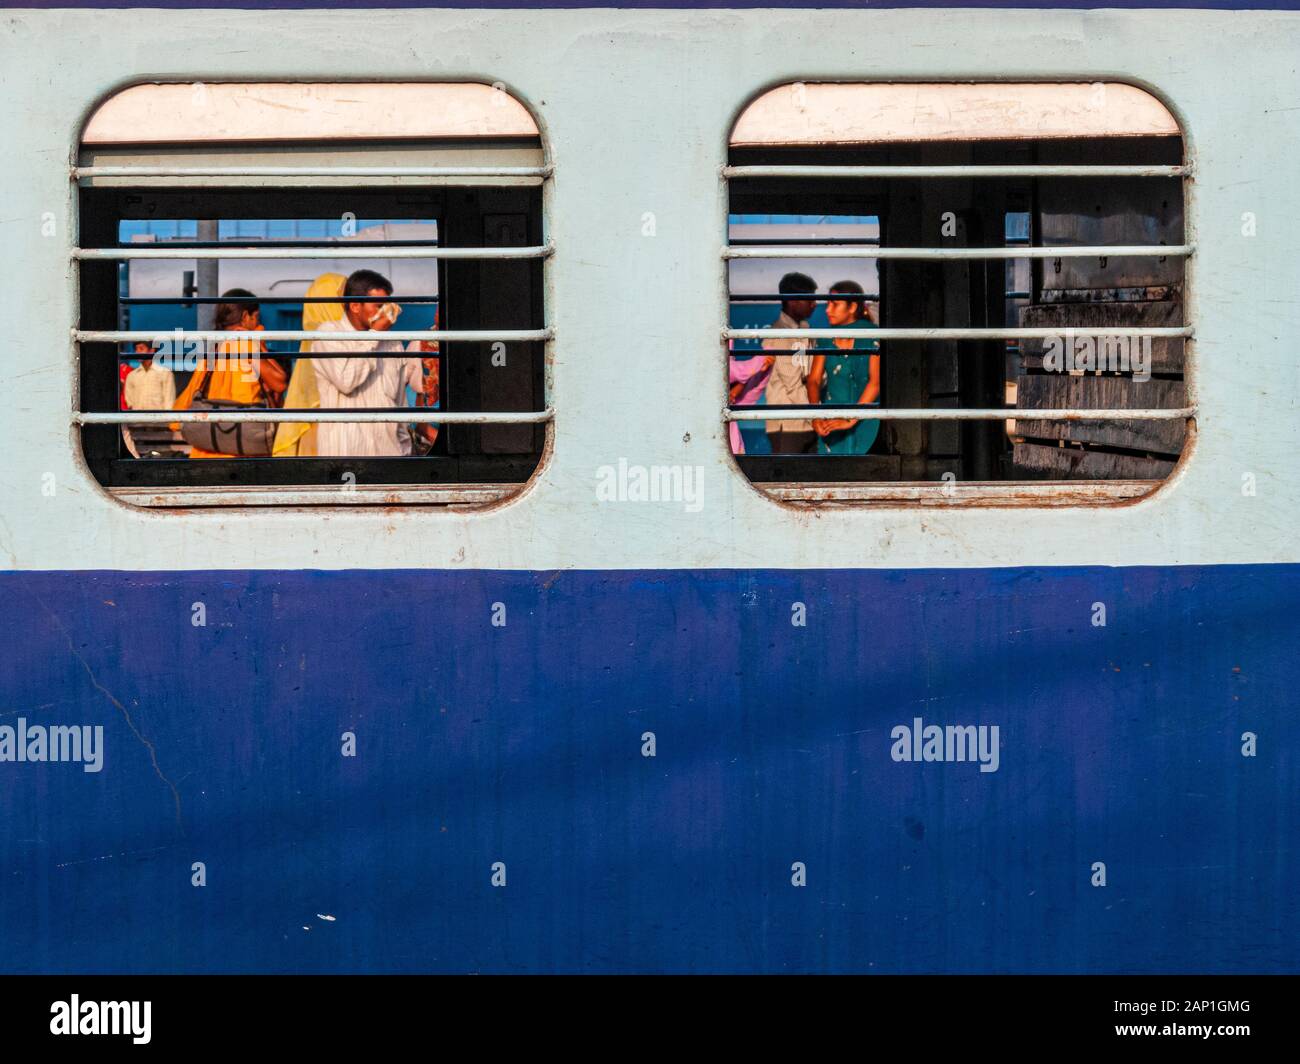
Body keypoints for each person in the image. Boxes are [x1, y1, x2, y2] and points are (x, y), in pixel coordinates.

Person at [310, 269, 424, 457]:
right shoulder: (329, 335)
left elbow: (400, 406)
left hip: (389, 456)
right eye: (378, 306)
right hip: (345, 456)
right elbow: (346, 381)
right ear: (355, 306)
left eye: (387, 306)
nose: (386, 314)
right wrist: (375, 336)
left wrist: (405, 454)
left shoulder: (393, 345)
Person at [172, 289, 288, 458]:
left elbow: (188, 398)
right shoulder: (246, 345)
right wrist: (259, 343)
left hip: (207, 450)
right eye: (256, 317)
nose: (258, 323)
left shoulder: (214, 348)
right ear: (245, 317)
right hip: (242, 450)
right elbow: (279, 383)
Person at [808, 280, 881, 455]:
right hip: (831, 420)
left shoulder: (873, 335)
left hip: (866, 419)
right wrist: (816, 415)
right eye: (827, 304)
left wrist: (850, 418)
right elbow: (813, 380)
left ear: (852, 307)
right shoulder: (826, 338)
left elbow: (875, 382)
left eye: (835, 304)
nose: (827, 310)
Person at [762, 272, 819, 454]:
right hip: (788, 425)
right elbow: (793, 384)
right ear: (792, 300)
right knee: (789, 479)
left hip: (809, 422)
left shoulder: (806, 331)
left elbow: (819, 376)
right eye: (809, 299)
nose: (814, 304)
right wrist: (817, 417)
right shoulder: (778, 333)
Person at [121, 341, 176, 458]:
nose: (137, 352)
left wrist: (165, 421)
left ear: (152, 351)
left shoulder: (165, 373)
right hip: (137, 427)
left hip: (160, 427)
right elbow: (129, 400)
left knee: (160, 456)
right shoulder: (132, 375)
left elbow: (169, 400)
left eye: (141, 348)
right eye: (136, 349)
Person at [727, 348, 774, 454]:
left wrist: (762, 369)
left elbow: (745, 397)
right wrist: (760, 361)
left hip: (733, 449)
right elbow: (724, 370)